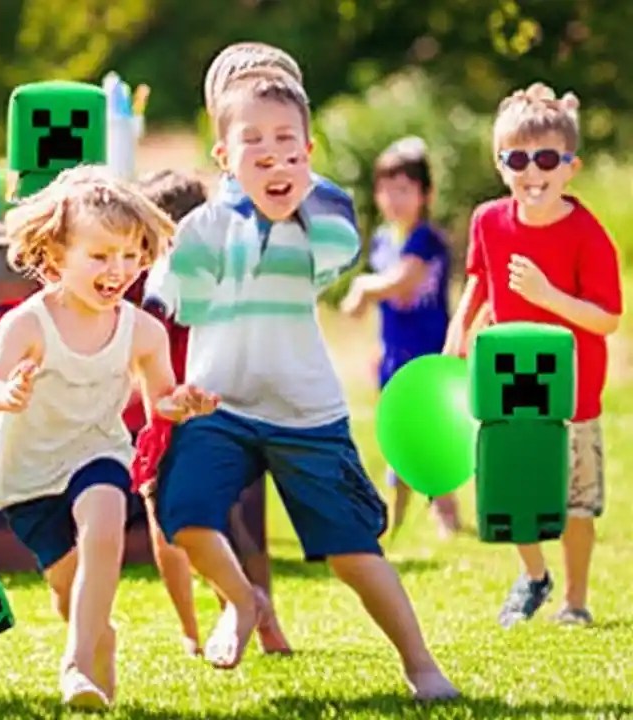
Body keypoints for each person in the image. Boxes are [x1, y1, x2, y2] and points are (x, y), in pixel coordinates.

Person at [142, 65, 459, 701]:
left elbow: (340, 244)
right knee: (184, 514)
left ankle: (421, 664)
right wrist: (170, 393)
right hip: (219, 407)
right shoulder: (204, 229)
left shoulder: (320, 220)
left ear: (310, 157)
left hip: (305, 411)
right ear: (223, 158)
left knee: (352, 551)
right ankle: (240, 600)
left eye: (290, 145)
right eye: (253, 145)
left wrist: (293, 183)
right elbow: (160, 308)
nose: (275, 158)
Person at [0, 165, 217, 710]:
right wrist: (5, 393)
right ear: (57, 256)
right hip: (29, 476)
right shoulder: (29, 324)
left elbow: (162, 406)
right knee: (71, 592)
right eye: (101, 256)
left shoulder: (143, 331)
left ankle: (76, 663)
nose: (120, 269)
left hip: (97, 452)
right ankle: (96, 660)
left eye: (130, 255)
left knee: (104, 524)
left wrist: (187, 405)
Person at [443, 84, 622, 629]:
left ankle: (574, 598)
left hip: (573, 394)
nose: (531, 171)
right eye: (516, 159)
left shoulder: (587, 234)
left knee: (575, 503)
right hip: (506, 388)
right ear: (501, 165)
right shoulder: (488, 221)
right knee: (511, 488)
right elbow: (479, 281)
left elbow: (607, 318)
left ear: (571, 166)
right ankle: (534, 574)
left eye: (546, 158)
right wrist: (460, 330)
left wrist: (549, 298)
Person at [123, 168, 291, 658]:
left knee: (172, 525)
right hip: (233, 405)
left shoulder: (150, 281)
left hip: (174, 411)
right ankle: (266, 623)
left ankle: (193, 632)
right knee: (239, 523)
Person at [340, 137, 461, 539]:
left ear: (425, 195)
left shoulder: (425, 240)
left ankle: (446, 516)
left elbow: (403, 282)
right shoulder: (381, 242)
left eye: (404, 190)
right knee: (397, 436)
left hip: (428, 353)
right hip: (395, 354)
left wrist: (363, 290)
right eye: (387, 189)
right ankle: (396, 520)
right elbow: (390, 303)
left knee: (432, 436)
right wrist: (378, 346)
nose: (394, 199)